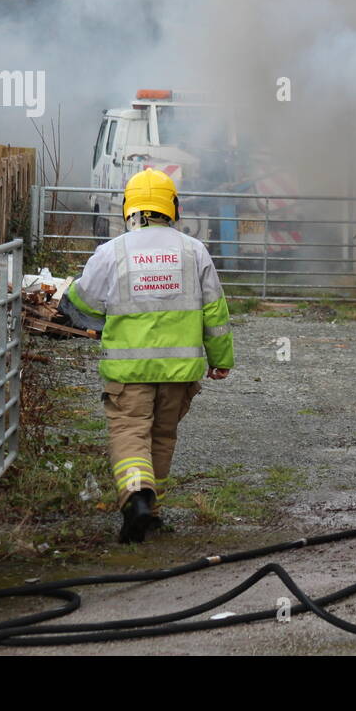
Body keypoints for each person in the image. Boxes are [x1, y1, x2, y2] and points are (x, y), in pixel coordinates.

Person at [61, 168, 234, 542]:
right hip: (180, 373)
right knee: (161, 436)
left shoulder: (112, 252)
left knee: (129, 433)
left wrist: (78, 312)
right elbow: (215, 313)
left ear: (129, 207)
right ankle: (151, 511)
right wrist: (221, 360)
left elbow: (82, 302)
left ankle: (138, 500)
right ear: (174, 207)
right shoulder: (195, 251)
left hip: (129, 372)